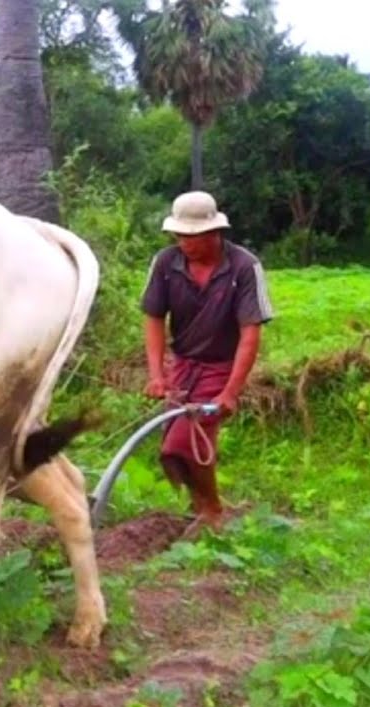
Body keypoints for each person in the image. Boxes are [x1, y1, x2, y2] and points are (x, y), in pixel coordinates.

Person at [140, 191, 274, 535]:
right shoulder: (166, 264)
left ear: (214, 232)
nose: (184, 243)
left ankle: (212, 508)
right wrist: (157, 375)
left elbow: (250, 334)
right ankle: (201, 505)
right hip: (183, 365)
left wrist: (231, 392)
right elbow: (153, 317)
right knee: (173, 451)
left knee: (184, 443)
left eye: (192, 236)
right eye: (179, 235)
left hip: (221, 366)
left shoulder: (243, 267)